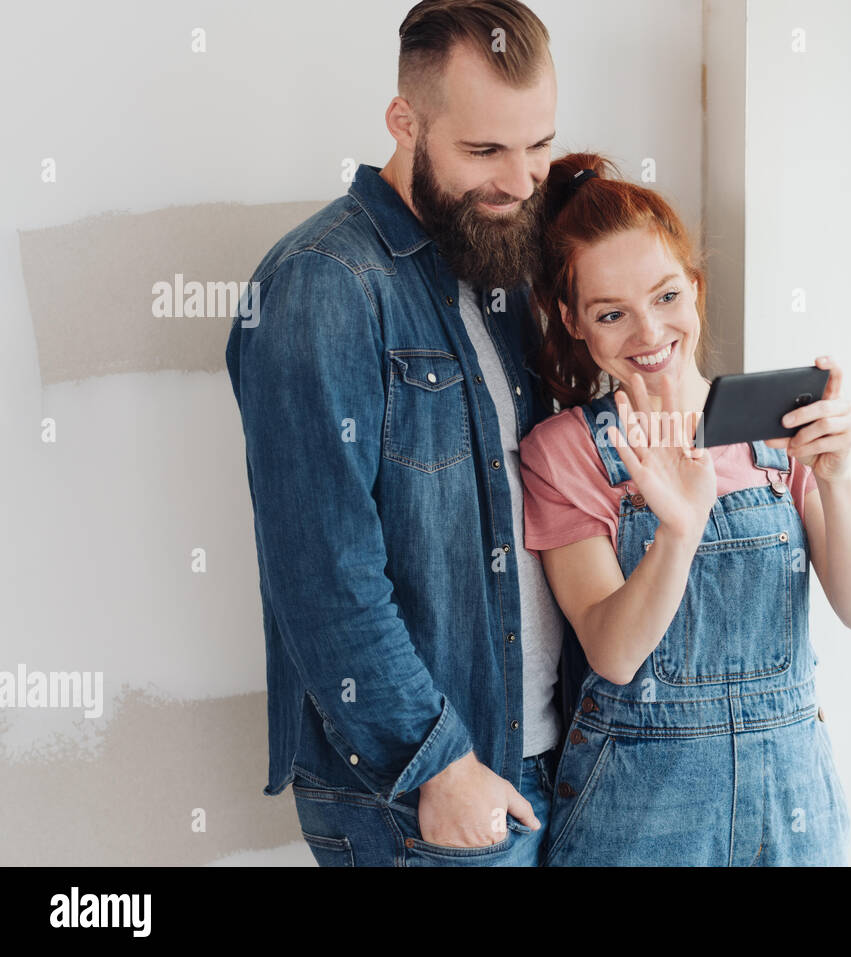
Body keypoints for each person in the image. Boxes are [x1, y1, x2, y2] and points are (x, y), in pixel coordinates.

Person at [224, 0, 572, 866]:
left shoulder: (498, 270)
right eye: (485, 151)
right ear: (404, 121)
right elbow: (322, 569)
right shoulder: (321, 285)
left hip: (540, 763)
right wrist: (439, 766)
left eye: (539, 146)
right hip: (425, 790)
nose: (521, 181)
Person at [519, 153, 851, 866]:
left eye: (665, 297)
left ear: (694, 289)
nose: (648, 334)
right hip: (640, 822)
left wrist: (837, 479)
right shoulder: (563, 452)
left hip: (793, 813)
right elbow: (615, 652)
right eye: (611, 313)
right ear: (574, 323)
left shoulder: (776, 424)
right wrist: (678, 530)